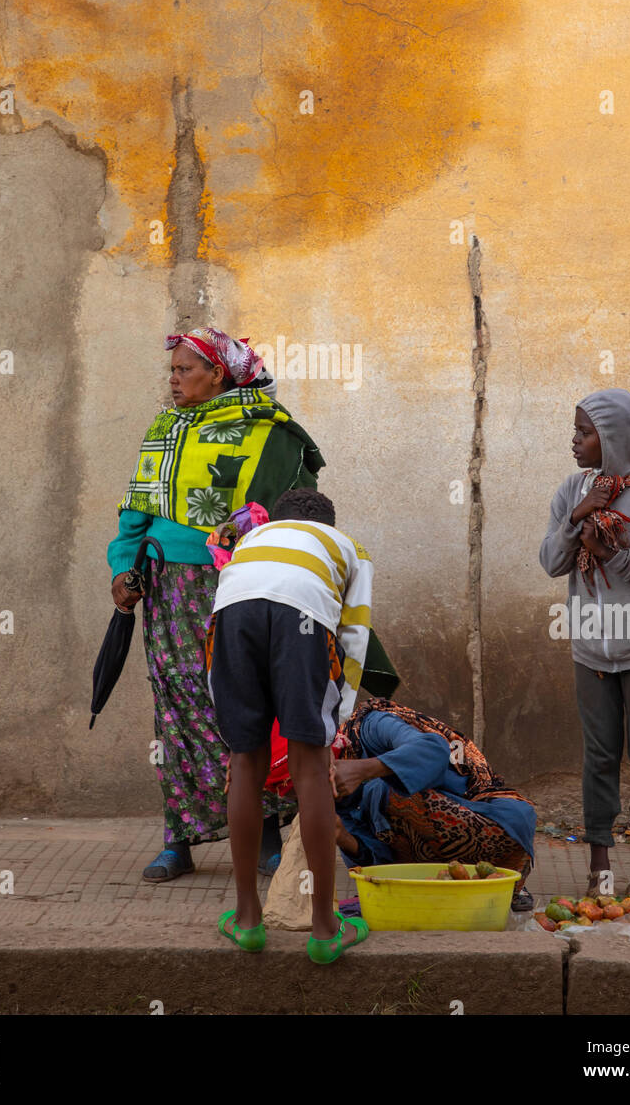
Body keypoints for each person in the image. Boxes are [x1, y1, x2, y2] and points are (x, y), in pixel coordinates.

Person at [108, 327, 325, 882]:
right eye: (173, 370)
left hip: (240, 585)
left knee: (246, 699)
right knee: (178, 706)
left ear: (218, 374)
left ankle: (267, 835)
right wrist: (121, 568)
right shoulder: (164, 430)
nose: (174, 379)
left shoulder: (266, 431)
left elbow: (295, 512)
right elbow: (135, 512)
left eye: (185, 370)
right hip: (167, 589)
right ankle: (178, 839)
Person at [206, 488, 372, 962]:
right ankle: (323, 931)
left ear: (278, 518)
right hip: (304, 619)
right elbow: (355, 633)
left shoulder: (250, 540)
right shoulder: (348, 546)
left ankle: (247, 921)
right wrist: (336, 720)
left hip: (232, 617)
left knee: (245, 762)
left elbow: (225, 603)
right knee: (310, 770)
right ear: (330, 522)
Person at [539, 388, 630, 899]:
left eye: (584, 433)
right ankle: (599, 861)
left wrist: (614, 555)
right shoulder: (572, 491)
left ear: (615, 437)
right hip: (592, 649)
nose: (575, 442)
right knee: (599, 756)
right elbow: (552, 563)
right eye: (576, 432)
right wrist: (577, 516)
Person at [331, 699, 537, 910]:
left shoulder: (372, 726)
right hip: (428, 858)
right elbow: (375, 867)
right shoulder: (333, 795)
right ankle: (444, 891)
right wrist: (342, 837)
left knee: (382, 790)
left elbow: (434, 749)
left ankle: (501, 877)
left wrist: (363, 770)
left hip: (487, 816)